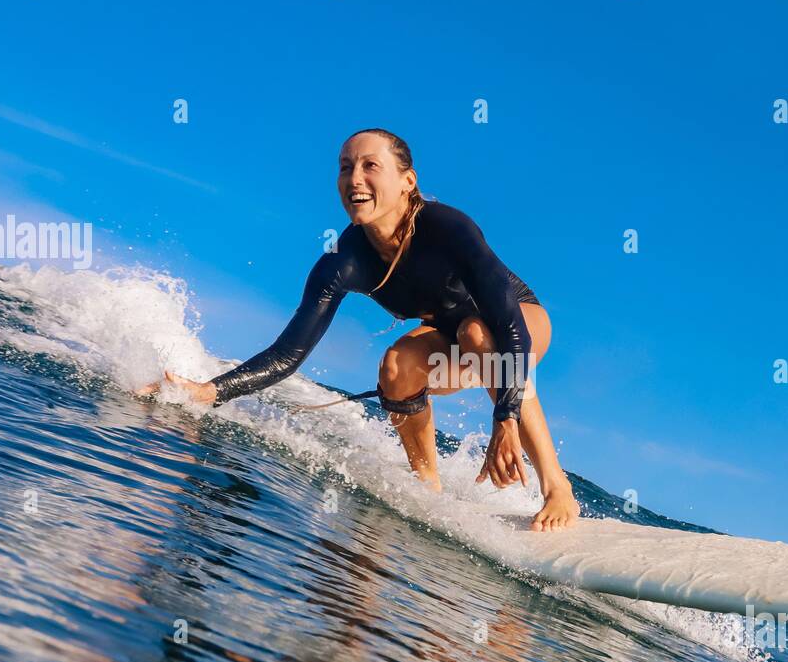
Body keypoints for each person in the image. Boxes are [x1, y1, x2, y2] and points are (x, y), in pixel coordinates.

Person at [141, 128, 579, 532]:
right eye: (346, 166)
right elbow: (287, 354)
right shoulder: (344, 260)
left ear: (408, 181)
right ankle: (427, 489)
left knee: (476, 333)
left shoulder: (450, 229)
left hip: (516, 323)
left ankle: (557, 487)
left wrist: (503, 418)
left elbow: (507, 326)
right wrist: (210, 391)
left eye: (371, 165)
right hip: (450, 341)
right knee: (395, 367)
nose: (355, 177)